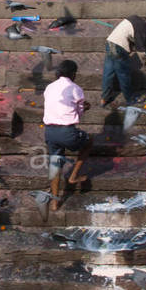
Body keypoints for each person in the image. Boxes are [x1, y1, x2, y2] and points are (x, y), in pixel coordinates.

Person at [43, 59, 91, 206]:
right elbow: (78, 112)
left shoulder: (49, 87)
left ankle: (54, 202)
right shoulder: (75, 88)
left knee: (55, 165)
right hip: (67, 132)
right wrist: (85, 107)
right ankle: (73, 176)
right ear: (73, 74)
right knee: (89, 142)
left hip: (49, 131)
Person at [102, 15, 146, 107]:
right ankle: (130, 98)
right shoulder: (142, 27)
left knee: (108, 73)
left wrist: (130, 47)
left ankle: (104, 98)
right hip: (119, 48)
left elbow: (128, 33)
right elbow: (141, 51)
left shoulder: (134, 18)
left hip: (110, 42)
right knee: (124, 74)